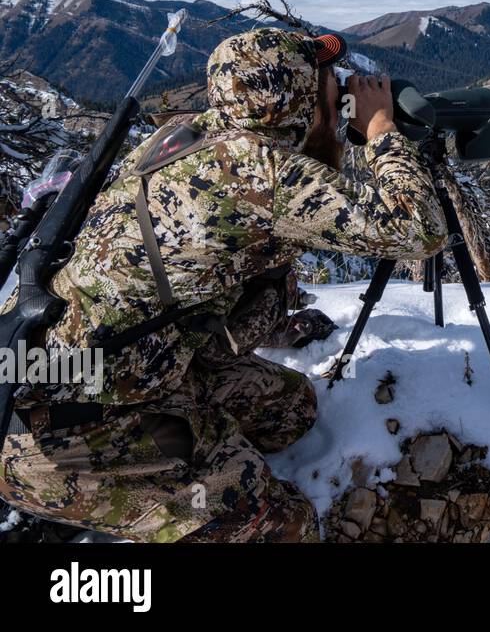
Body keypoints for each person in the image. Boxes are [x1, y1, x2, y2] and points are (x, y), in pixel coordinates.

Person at [0, 28, 445, 541]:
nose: (341, 93)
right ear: (296, 101)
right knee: (284, 527)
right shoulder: (259, 174)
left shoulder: (185, 137)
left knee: (289, 411)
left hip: (127, 373)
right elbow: (417, 228)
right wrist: (381, 127)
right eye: (328, 85)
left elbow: (237, 266)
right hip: (62, 432)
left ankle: (170, 457)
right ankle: (77, 507)